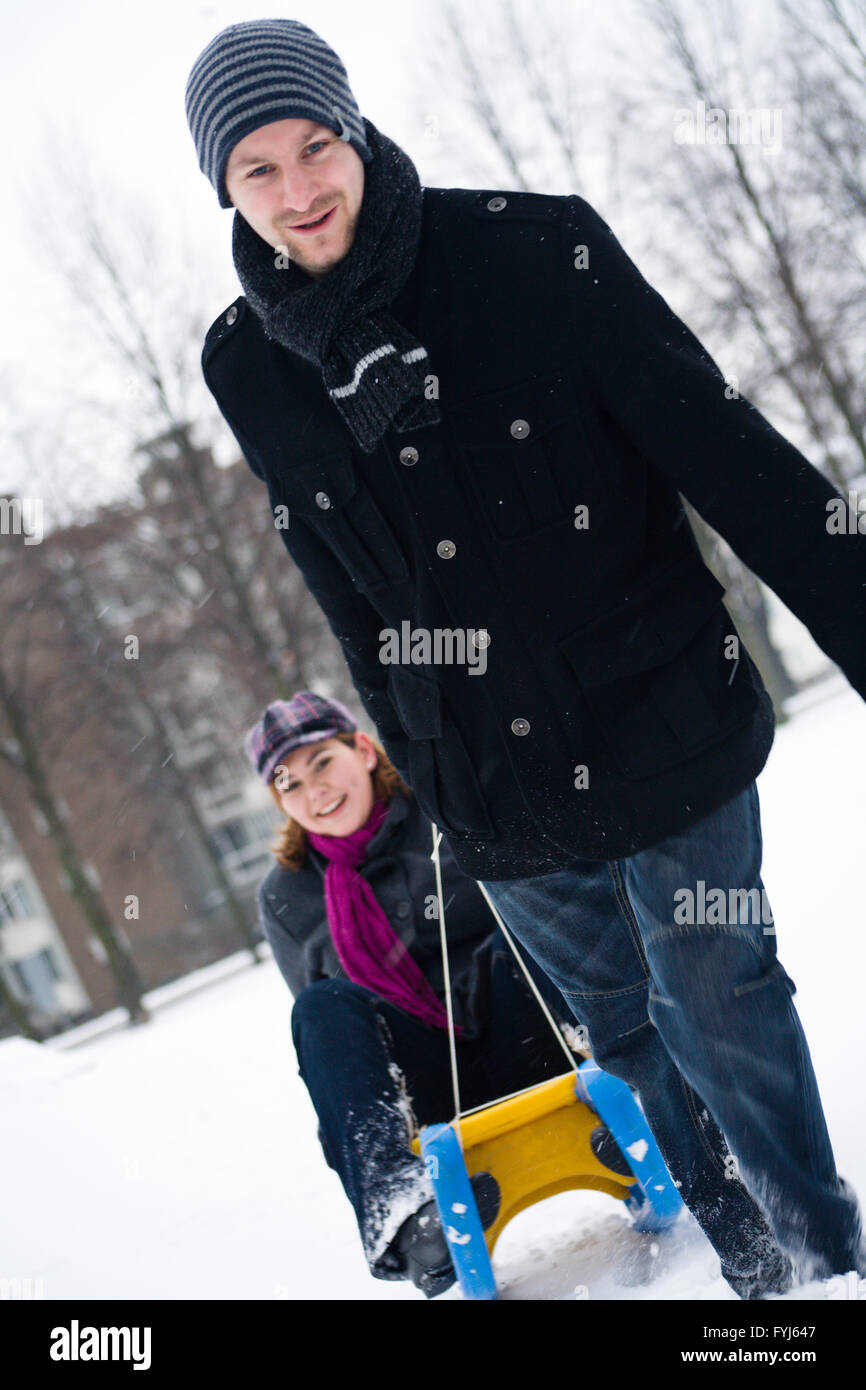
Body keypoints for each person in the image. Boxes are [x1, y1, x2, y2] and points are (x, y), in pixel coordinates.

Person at [185, 19, 866, 1297]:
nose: (298, 190)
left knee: (712, 994)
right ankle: (759, 1275)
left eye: (314, 147)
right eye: (257, 170)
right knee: (621, 1034)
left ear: (355, 129)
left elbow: (728, 455)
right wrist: (420, 781)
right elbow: (346, 599)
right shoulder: (246, 366)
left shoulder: (530, 251)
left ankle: (821, 1263)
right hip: (487, 786)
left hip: (658, 710)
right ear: (222, 188)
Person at [243, 690, 609, 1297]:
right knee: (321, 1009)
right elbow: (333, 1057)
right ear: (279, 801)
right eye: (290, 784)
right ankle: (407, 1213)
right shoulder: (286, 896)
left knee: (520, 924)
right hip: (422, 1085)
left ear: (362, 749)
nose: (315, 791)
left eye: (322, 763)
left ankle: (619, 1090)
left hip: (523, 1030)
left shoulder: (440, 806)